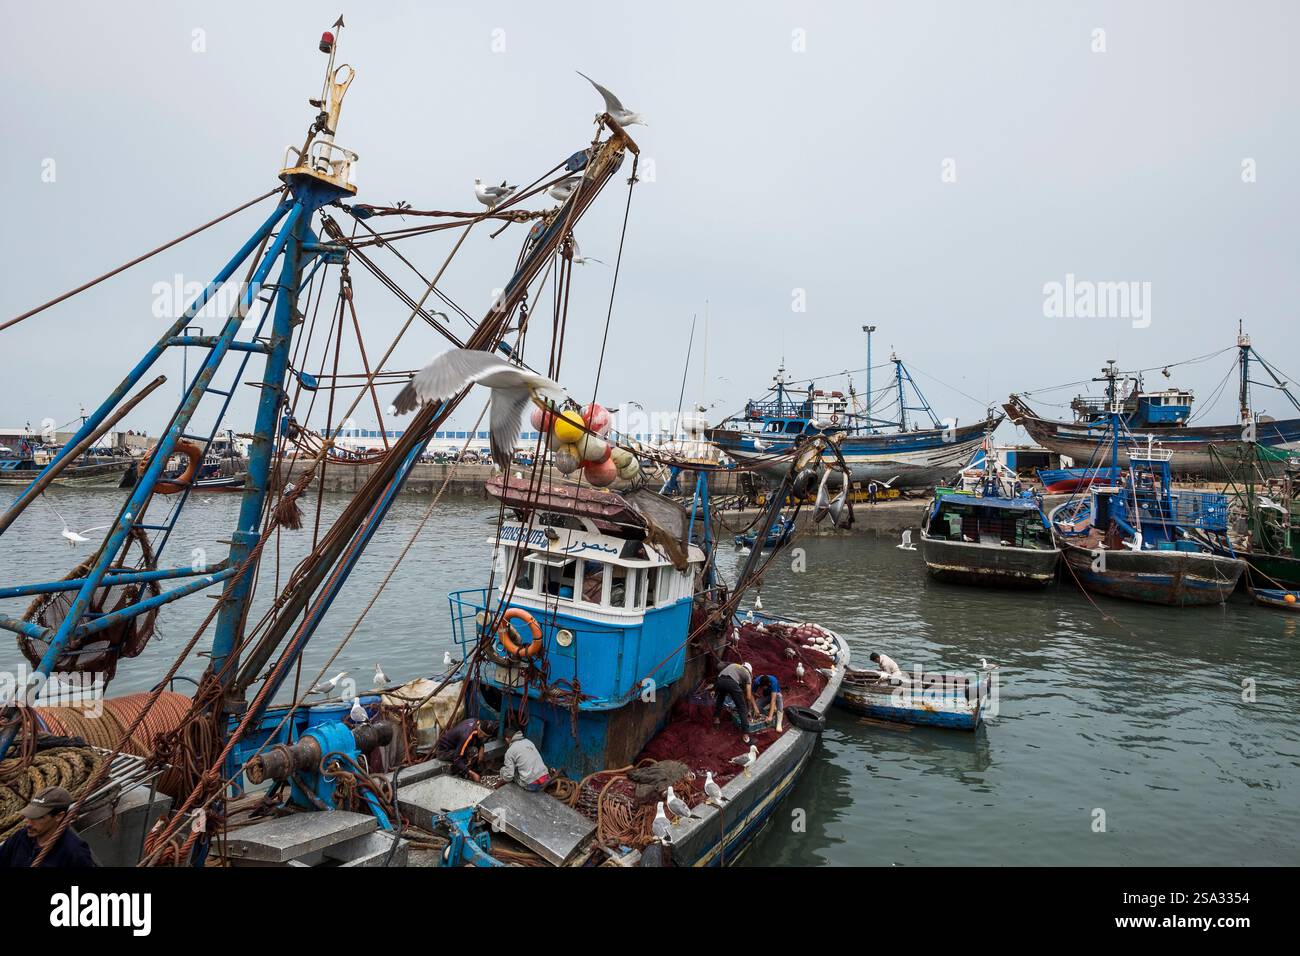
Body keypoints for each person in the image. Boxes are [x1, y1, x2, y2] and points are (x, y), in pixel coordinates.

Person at [0, 786, 97, 868]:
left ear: (59, 816)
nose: (29, 823)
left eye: (39, 818)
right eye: (29, 816)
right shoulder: (21, 836)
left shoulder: (74, 852)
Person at [434, 718, 497, 782]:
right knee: (472, 753)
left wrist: (481, 747)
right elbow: (457, 759)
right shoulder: (466, 736)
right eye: (484, 736)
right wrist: (472, 774)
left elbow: (479, 738)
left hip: (455, 746)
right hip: (443, 752)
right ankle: (462, 774)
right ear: (480, 731)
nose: (484, 738)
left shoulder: (477, 722)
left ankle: (470, 770)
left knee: (474, 750)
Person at [713, 661, 758, 728]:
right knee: (742, 707)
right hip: (731, 682)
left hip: (719, 680)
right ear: (749, 670)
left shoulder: (734, 665)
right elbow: (748, 697)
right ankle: (745, 735)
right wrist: (749, 709)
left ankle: (716, 721)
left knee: (720, 699)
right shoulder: (748, 674)